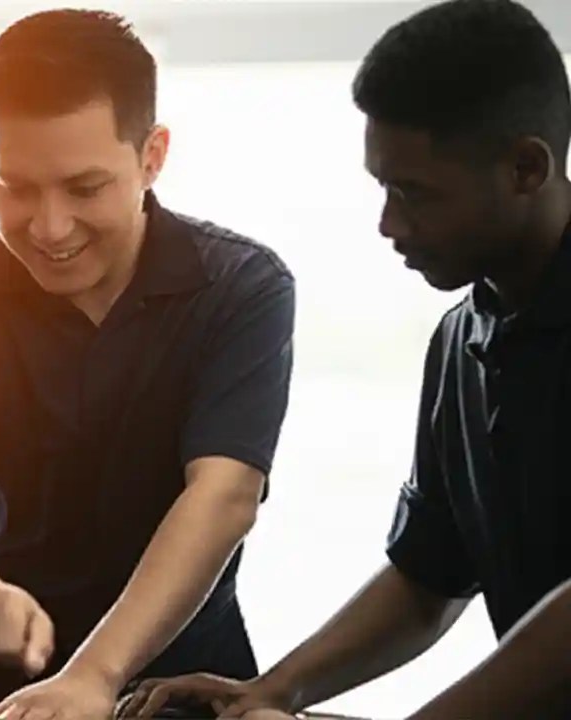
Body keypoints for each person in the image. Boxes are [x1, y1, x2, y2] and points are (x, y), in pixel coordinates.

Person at [121, 1, 571, 718]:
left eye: (415, 193)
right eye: (383, 188)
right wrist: (273, 690)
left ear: (526, 167)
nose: (389, 224)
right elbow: (428, 577)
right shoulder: (461, 342)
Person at [0, 9, 296, 719]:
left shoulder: (242, 290)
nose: (49, 226)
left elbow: (223, 496)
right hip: (2, 691)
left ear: (152, 156)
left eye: (84, 188)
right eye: (16, 187)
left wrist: (95, 676)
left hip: (186, 690)